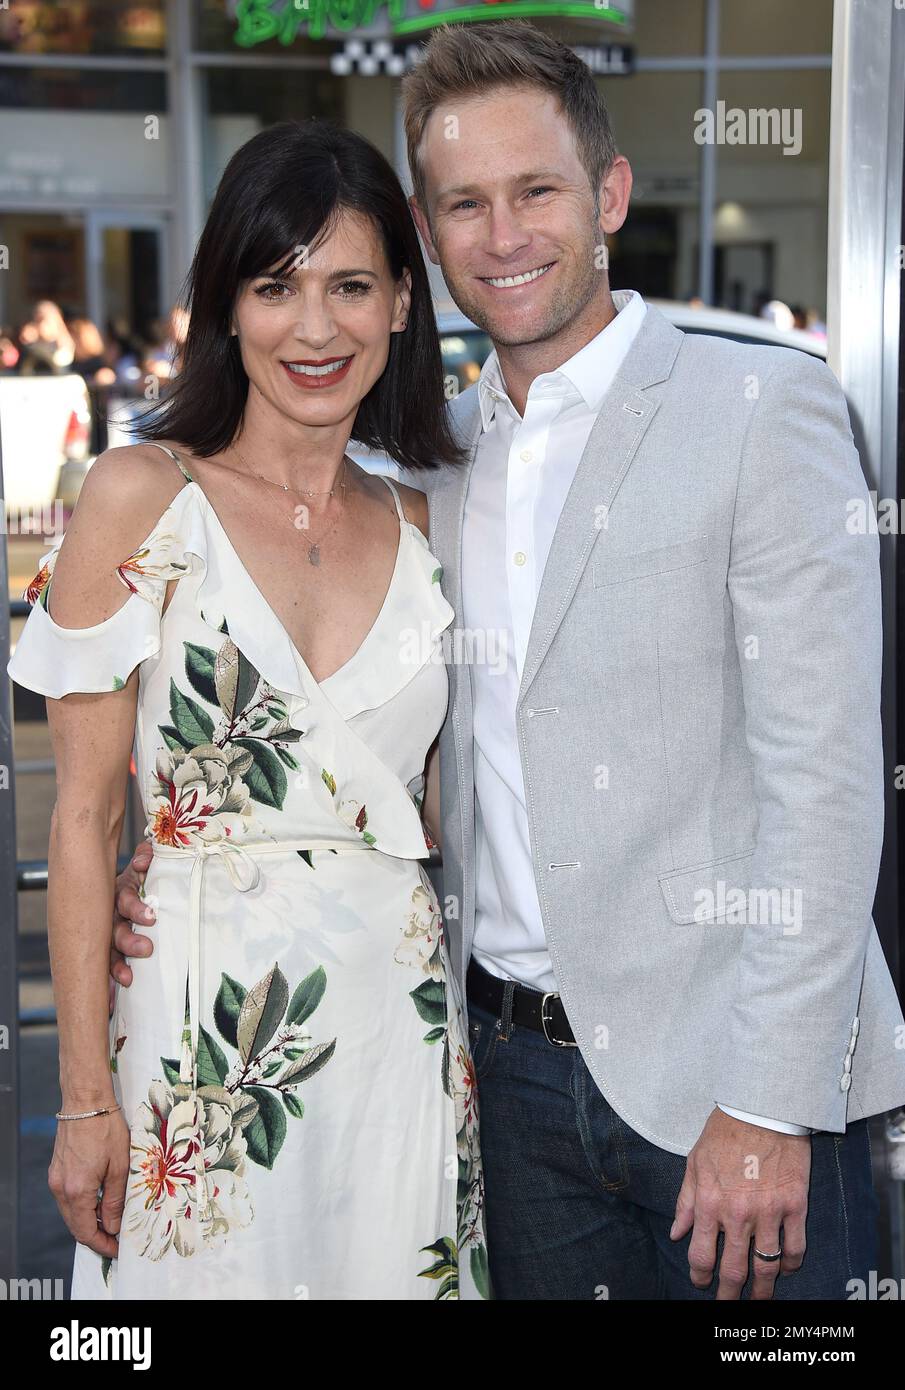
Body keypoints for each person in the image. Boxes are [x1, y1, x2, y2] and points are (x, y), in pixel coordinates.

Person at [112, 20, 905, 1302]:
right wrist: (178, 850)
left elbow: (823, 788)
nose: (503, 234)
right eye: (463, 204)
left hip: (729, 1087)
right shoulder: (425, 471)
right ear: (425, 236)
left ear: (607, 194)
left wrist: (768, 1100)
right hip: (500, 1088)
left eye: (534, 191)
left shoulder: (761, 410)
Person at [8, 119, 488, 1301]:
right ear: (226, 304)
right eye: (276, 286)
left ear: (401, 306)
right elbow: (77, 826)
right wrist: (84, 1099)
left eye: (350, 286)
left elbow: (441, 807)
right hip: (196, 1056)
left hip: (398, 1038)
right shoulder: (138, 498)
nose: (314, 327)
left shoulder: (426, 527)